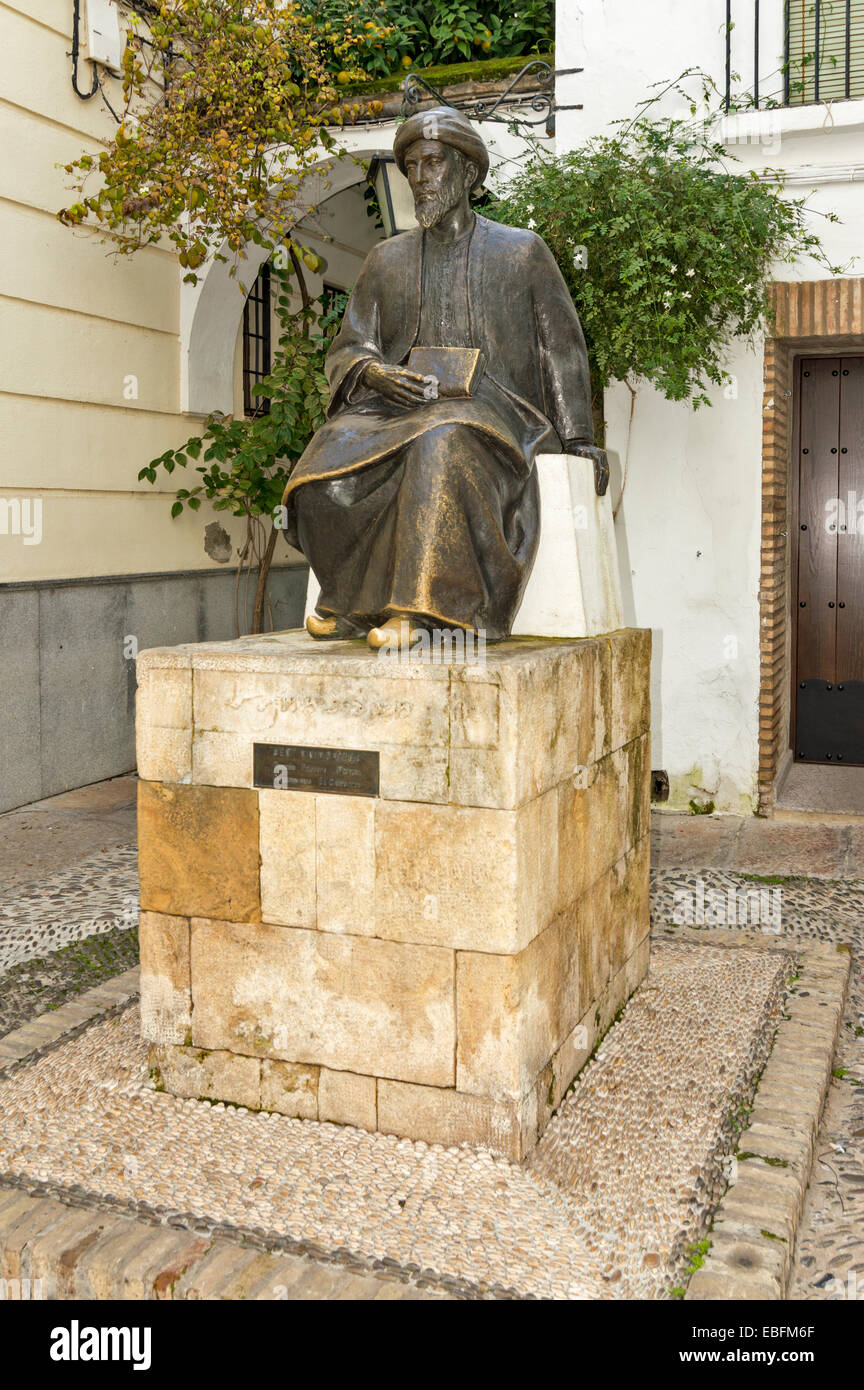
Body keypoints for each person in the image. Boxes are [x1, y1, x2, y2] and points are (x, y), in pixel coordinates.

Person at [281, 106, 605, 648]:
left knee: (442, 439)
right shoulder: (386, 260)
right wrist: (376, 374)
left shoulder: (522, 251)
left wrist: (580, 439)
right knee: (327, 457)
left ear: (468, 174)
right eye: (411, 167)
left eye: (432, 163)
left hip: (499, 413)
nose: (419, 178)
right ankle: (351, 602)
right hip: (398, 409)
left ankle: (421, 611)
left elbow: (562, 350)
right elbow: (350, 347)